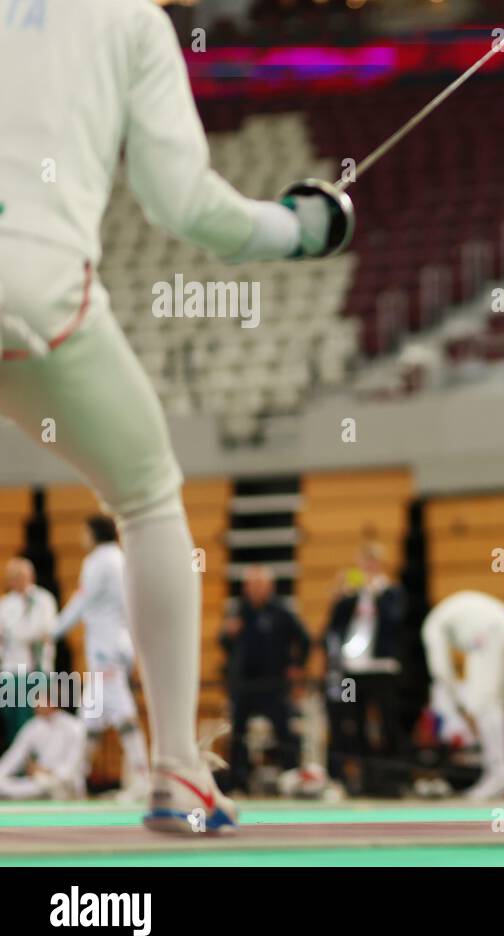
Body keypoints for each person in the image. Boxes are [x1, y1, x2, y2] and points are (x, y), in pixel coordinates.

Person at [0, 0, 352, 833]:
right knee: (150, 495)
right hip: (32, 289)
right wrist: (301, 227)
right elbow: (185, 204)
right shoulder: (130, 20)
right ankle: (176, 774)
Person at [51, 515, 148, 800]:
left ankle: (142, 776)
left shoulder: (98, 562)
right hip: (117, 643)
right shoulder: (121, 559)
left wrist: (54, 629)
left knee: (121, 710)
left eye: (84, 531)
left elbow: (84, 599)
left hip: (106, 648)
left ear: (94, 533)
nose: (82, 537)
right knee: (89, 717)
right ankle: (74, 777)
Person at [421, 590, 504, 799]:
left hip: (489, 633)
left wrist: (460, 707)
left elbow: (441, 671)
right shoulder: (448, 614)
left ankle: (500, 773)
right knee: (496, 707)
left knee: (484, 706)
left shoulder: (431, 626)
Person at [323, 543, 408, 794]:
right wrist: (341, 595)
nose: (368, 569)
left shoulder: (391, 592)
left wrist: (376, 594)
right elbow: (335, 626)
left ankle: (392, 779)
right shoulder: (352, 596)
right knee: (354, 722)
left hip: (382, 669)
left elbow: (396, 621)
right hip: (353, 671)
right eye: (364, 565)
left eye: (373, 564)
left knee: (387, 721)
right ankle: (362, 780)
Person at [220, 565, 310, 793]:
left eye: (259, 584)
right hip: (244, 686)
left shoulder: (281, 612)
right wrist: (228, 633)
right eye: (251, 585)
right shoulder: (238, 611)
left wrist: (297, 667)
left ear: (269, 587)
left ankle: (292, 777)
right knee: (238, 734)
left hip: (273, 685)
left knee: (285, 732)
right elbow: (223, 643)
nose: (254, 589)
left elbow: (305, 640)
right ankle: (237, 782)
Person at [0, 558, 58, 751]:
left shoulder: (44, 599)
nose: (17, 581)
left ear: (30, 576)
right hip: (12, 670)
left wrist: (17, 634)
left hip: (38, 669)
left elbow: (46, 631)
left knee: (38, 721)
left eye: (21, 576)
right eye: (13, 577)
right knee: (13, 723)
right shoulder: (6, 604)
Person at [0, 698, 86, 800]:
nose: (36, 705)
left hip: (66, 785)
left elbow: (70, 769)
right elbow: (14, 756)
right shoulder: (33, 726)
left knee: (47, 784)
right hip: (39, 781)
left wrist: (47, 771)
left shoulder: (75, 727)